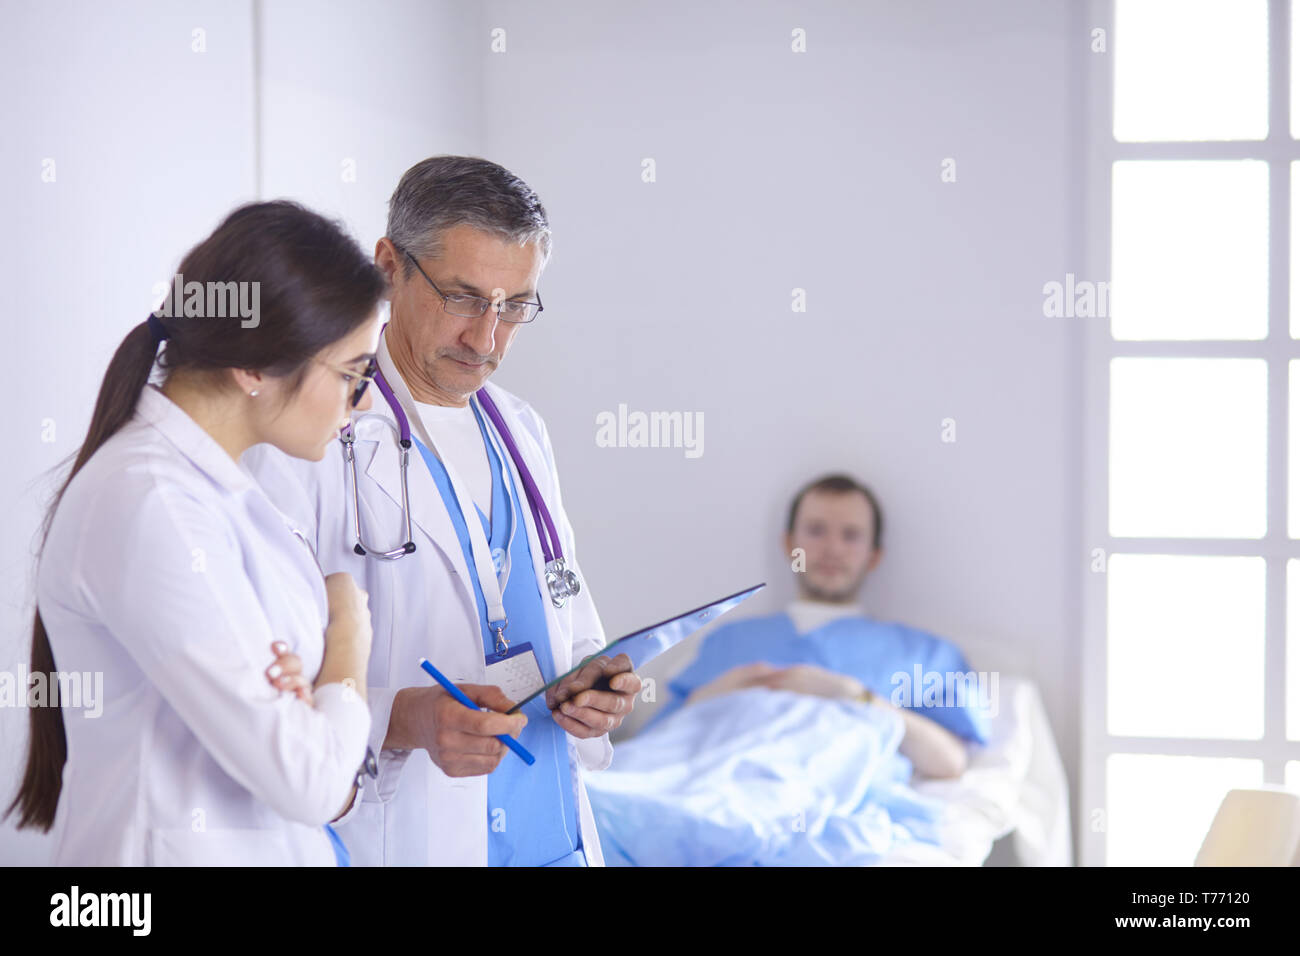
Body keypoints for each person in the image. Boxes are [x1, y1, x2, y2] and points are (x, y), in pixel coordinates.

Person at [245, 156, 641, 866]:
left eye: (514, 305)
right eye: (462, 297)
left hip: (553, 829)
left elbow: (569, 619)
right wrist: (407, 720)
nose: (486, 339)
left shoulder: (522, 430)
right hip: (411, 835)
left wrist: (593, 688)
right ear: (388, 266)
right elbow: (263, 680)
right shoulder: (308, 435)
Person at [5, 200, 386, 865]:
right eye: (354, 374)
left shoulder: (221, 496)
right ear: (258, 367)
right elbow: (314, 779)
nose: (367, 400)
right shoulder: (153, 504)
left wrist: (316, 694)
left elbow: (306, 748)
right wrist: (348, 632)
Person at [651, 473, 991, 779]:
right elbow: (651, 752)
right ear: (789, 545)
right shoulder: (728, 641)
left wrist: (853, 696)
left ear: (874, 556)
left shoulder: (921, 654)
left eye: (851, 535)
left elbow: (949, 762)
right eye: (816, 531)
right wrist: (709, 696)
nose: (832, 548)